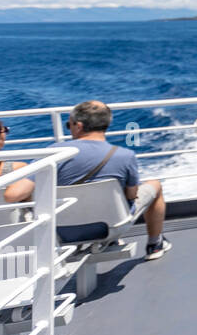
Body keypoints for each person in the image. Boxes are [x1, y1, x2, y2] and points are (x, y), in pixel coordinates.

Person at [50, 101, 170, 258]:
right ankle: (155, 244)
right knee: (155, 185)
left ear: (78, 126)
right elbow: (132, 195)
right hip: (112, 227)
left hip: (62, 229)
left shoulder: (53, 152)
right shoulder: (125, 155)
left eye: (69, 125)